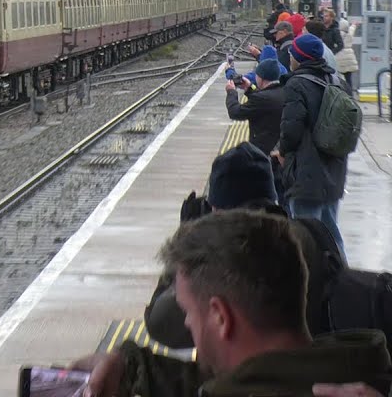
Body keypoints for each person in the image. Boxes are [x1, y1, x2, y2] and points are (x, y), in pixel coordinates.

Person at [74, 210, 392, 397]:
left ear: (220, 317)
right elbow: (238, 381)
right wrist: (132, 368)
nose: (185, 324)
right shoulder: (347, 371)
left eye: (187, 312)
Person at [144, 143, 341, 350]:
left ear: (218, 211)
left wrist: (187, 240)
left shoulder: (229, 257)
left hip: (265, 376)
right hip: (321, 363)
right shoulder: (313, 232)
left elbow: (160, 324)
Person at [277, 32, 352, 259]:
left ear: (299, 58)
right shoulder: (338, 82)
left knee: (304, 236)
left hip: (307, 174)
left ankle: (307, 288)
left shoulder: (297, 84)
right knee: (331, 233)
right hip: (334, 170)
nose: (289, 56)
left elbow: (291, 129)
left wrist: (282, 152)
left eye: (292, 53)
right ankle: (343, 282)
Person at [225, 60, 287, 191]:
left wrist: (231, 93)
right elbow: (262, 101)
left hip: (265, 154)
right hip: (280, 151)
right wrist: (250, 88)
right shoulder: (283, 91)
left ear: (261, 77)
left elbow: (235, 112)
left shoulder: (263, 98)